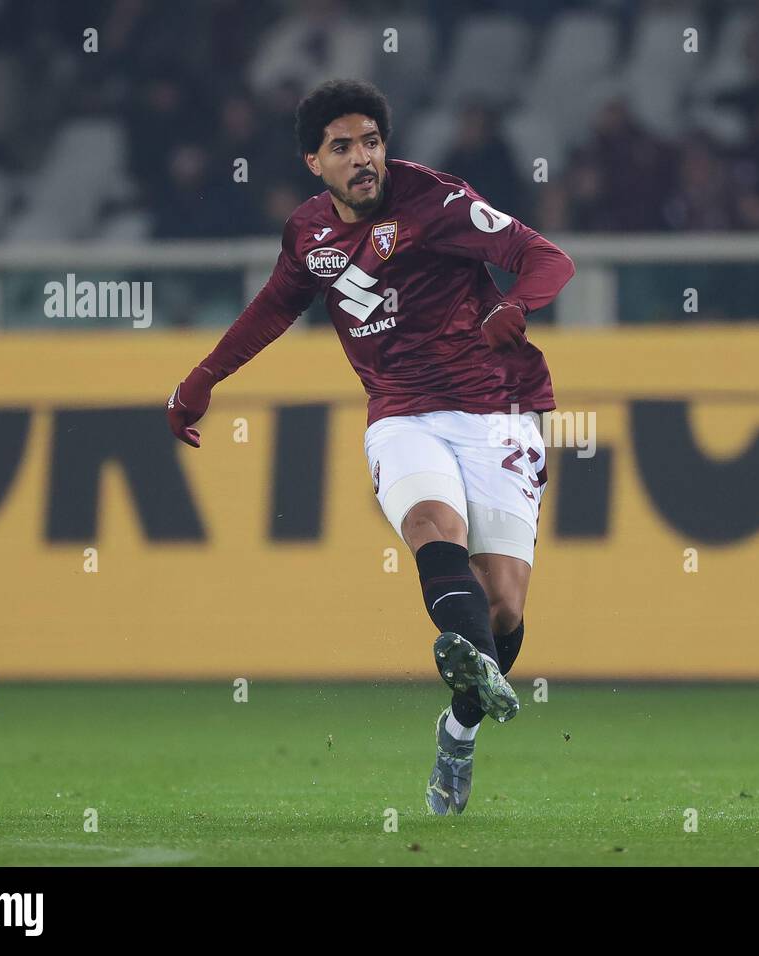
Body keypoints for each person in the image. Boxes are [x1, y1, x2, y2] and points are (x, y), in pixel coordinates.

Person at [165, 79, 574, 815]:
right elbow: (271, 310)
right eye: (343, 147)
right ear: (313, 163)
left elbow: (546, 257)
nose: (363, 158)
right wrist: (201, 379)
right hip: (402, 412)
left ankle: (458, 727)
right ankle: (464, 653)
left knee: (505, 608)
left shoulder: (437, 202)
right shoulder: (309, 234)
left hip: (496, 410)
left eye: (372, 142)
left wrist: (516, 305)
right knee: (431, 526)